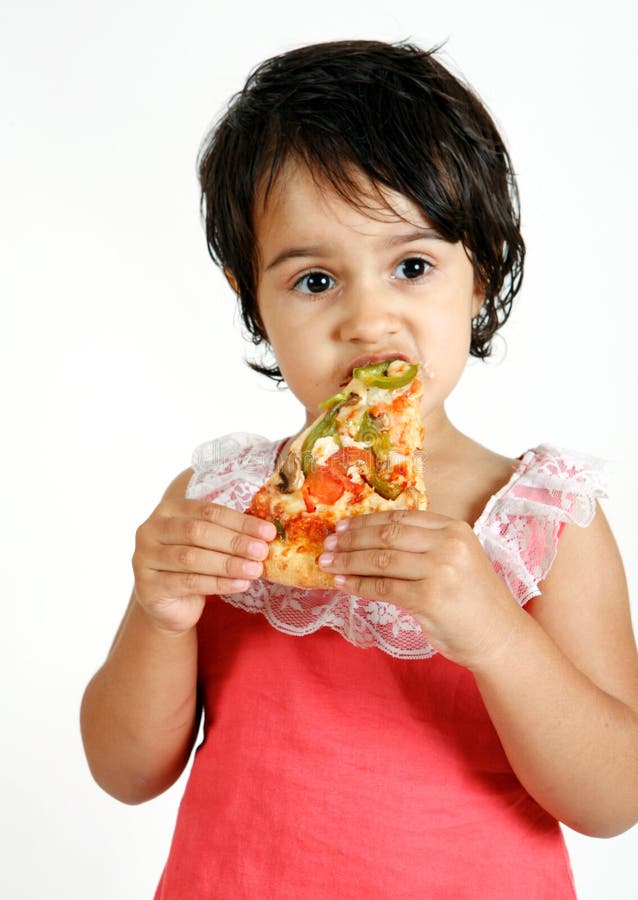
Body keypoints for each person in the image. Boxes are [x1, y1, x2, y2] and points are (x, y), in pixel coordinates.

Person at [80, 40, 638, 898]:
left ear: (479, 275)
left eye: (412, 267)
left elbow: (613, 798)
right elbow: (125, 772)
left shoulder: (543, 519)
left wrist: (494, 632)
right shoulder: (222, 504)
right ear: (252, 302)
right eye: (313, 281)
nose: (367, 318)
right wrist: (158, 615)